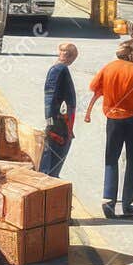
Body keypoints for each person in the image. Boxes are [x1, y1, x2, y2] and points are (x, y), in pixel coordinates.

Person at [84, 37, 133, 217]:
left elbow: (94, 87)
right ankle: (127, 204)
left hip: (113, 118)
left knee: (111, 158)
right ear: (129, 54)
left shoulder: (109, 67)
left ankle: (109, 201)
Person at [41, 42, 79, 174]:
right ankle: (49, 177)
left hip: (62, 120)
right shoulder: (58, 70)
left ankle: (51, 176)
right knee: (56, 149)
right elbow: (50, 96)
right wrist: (50, 120)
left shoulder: (60, 69)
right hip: (59, 121)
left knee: (59, 148)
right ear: (71, 57)